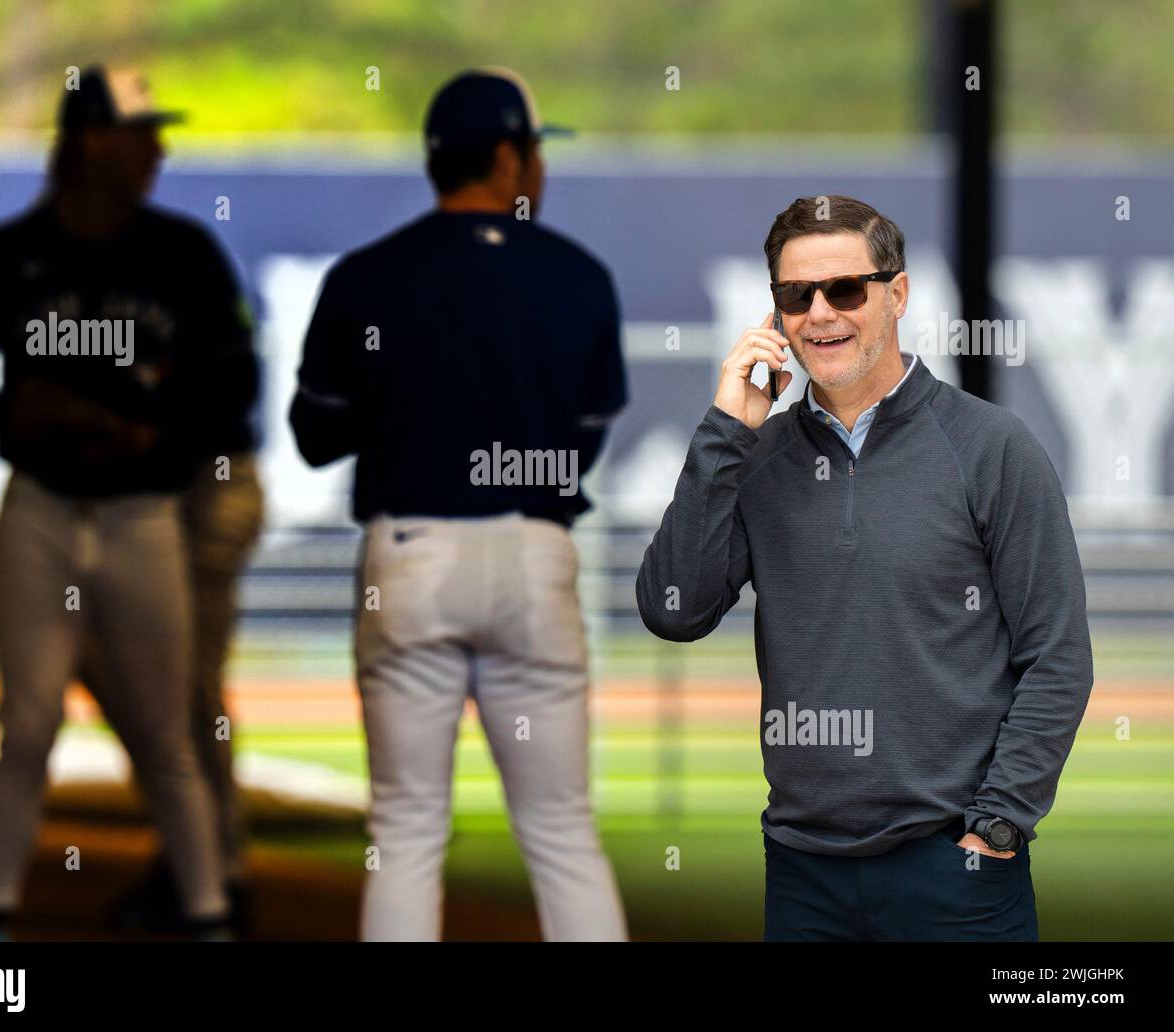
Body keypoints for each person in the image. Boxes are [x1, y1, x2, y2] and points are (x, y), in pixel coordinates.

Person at [637, 195, 1094, 941]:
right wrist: (725, 431)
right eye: (795, 295)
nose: (820, 314)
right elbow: (673, 611)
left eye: (845, 289)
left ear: (898, 294)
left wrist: (999, 827)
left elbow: (1058, 656)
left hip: (958, 872)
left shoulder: (992, 447)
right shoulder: (755, 456)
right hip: (801, 871)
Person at [290, 68, 629, 942]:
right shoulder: (578, 275)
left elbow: (316, 433)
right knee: (561, 834)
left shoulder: (368, 276)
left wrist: (409, 404)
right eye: (538, 152)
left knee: (404, 834)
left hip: (411, 550)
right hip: (531, 554)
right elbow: (587, 436)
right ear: (511, 156)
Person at [0, 66, 257, 940]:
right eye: (141, 133)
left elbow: (237, 383)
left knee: (167, 731)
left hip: (145, 510)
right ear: (89, 141)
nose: (159, 149)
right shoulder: (12, 255)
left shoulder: (182, 253)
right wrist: (19, 411)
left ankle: (211, 915)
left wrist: (154, 434)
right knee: (29, 724)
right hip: (40, 506)